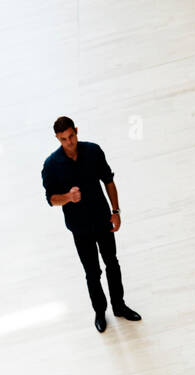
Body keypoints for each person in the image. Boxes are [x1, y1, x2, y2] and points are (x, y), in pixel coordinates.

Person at [41, 116, 141, 334]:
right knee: (92, 272)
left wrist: (116, 211)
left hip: (102, 219)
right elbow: (50, 199)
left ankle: (119, 306)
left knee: (112, 263)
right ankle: (99, 311)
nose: (69, 142)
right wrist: (68, 197)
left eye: (71, 136)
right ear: (57, 139)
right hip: (79, 228)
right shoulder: (51, 165)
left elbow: (108, 181)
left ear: (76, 131)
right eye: (63, 139)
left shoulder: (93, 151)